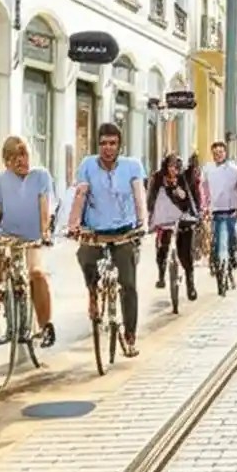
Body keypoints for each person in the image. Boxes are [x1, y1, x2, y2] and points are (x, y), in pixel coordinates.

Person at [67, 122, 147, 356]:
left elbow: (139, 196)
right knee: (85, 255)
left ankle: (130, 335)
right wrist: (73, 225)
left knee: (128, 284)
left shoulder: (132, 166)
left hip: (124, 232)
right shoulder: (87, 165)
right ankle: (93, 292)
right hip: (96, 231)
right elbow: (80, 195)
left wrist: (143, 223)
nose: (107, 148)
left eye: (112, 143)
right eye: (103, 143)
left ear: (119, 146)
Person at [0, 136, 57, 348]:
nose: (22, 161)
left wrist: (44, 232)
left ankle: (46, 326)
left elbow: (44, 204)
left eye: (24, 155)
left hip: (33, 237)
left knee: (36, 273)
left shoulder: (40, 176)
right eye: (15, 158)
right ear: (7, 162)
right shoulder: (1, 179)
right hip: (7, 234)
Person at [147, 154, 198, 300]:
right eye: (170, 167)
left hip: (183, 218)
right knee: (162, 247)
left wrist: (182, 196)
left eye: (176, 167)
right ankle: (161, 275)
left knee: (186, 253)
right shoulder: (158, 178)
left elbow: (192, 198)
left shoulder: (184, 179)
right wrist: (151, 214)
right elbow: (152, 197)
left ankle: (190, 283)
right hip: (164, 220)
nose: (173, 170)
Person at [203, 141, 237, 289]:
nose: (218, 155)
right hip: (215, 211)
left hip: (230, 210)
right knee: (214, 240)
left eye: (220, 152)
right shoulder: (208, 170)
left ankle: (233, 256)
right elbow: (204, 190)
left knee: (232, 236)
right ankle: (215, 264)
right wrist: (205, 207)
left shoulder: (234, 170)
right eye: (215, 153)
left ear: (225, 153)